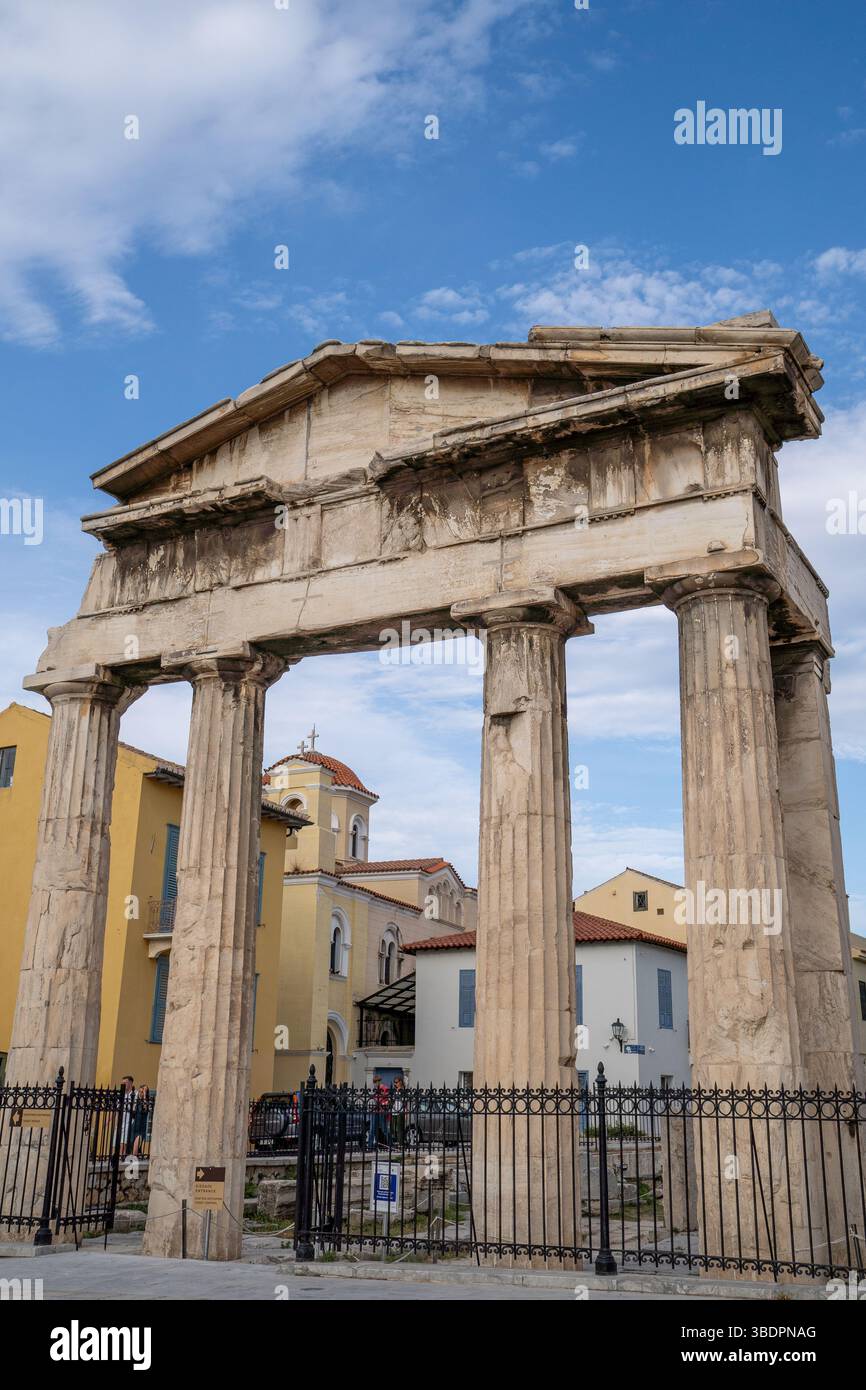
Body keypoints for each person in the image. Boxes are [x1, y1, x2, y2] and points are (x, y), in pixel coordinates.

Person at [366, 1075, 390, 1150]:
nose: (375, 1084)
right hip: (375, 1110)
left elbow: (387, 1099)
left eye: (376, 1082)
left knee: (384, 1129)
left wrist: (382, 1102)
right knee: (372, 1129)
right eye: (374, 1082)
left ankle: (390, 1144)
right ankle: (370, 1146)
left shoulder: (385, 1088)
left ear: (379, 1081)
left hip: (381, 1111)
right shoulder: (375, 1089)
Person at [131, 1084, 150, 1157]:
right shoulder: (136, 1100)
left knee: (138, 1140)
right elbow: (133, 1111)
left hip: (142, 1124)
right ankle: (135, 1154)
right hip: (135, 1124)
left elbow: (145, 1109)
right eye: (140, 1091)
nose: (141, 1093)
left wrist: (144, 1096)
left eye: (143, 1091)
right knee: (132, 1142)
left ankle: (134, 1156)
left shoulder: (147, 1101)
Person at [119, 1076, 135, 1156]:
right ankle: (119, 1155)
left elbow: (135, 1108)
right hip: (121, 1120)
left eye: (125, 1083)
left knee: (125, 1140)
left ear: (130, 1083)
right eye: (122, 1083)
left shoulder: (134, 1094)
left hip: (129, 1120)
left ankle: (122, 1155)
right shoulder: (122, 1095)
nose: (123, 1084)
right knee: (118, 1139)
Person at [390, 1075, 406, 1147]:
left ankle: (401, 1144)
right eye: (394, 1082)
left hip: (400, 1111)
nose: (395, 1084)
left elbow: (405, 1102)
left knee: (399, 1128)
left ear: (400, 1082)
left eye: (396, 1082)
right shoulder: (393, 1091)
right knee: (393, 1128)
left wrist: (406, 1113)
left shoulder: (403, 1091)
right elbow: (392, 1100)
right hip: (394, 1111)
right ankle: (397, 1142)